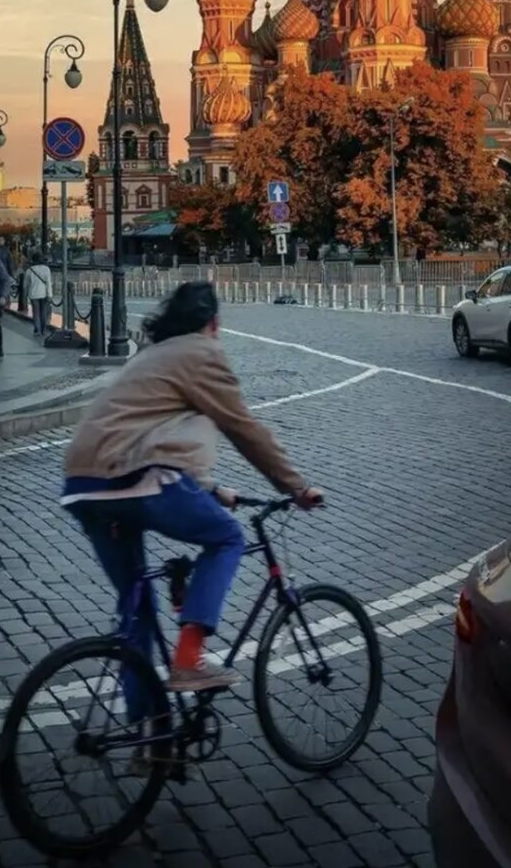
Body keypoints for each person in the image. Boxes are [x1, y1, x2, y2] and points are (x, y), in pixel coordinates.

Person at [63, 282, 322, 705]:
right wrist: (296, 487)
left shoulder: (149, 356)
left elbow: (152, 433)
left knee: (138, 610)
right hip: (137, 480)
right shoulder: (201, 353)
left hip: (83, 487)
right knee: (227, 538)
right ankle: (188, 658)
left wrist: (212, 488)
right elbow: (244, 428)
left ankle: (151, 739)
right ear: (213, 323)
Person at [23, 250, 53, 337]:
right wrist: (50, 295)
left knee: (36, 312)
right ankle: (43, 329)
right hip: (44, 294)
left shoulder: (29, 271)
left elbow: (25, 285)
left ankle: (37, 329)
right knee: (43, 312)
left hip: (33, 294)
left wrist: (24, 296)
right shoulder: (46, 269)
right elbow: (48, 283)